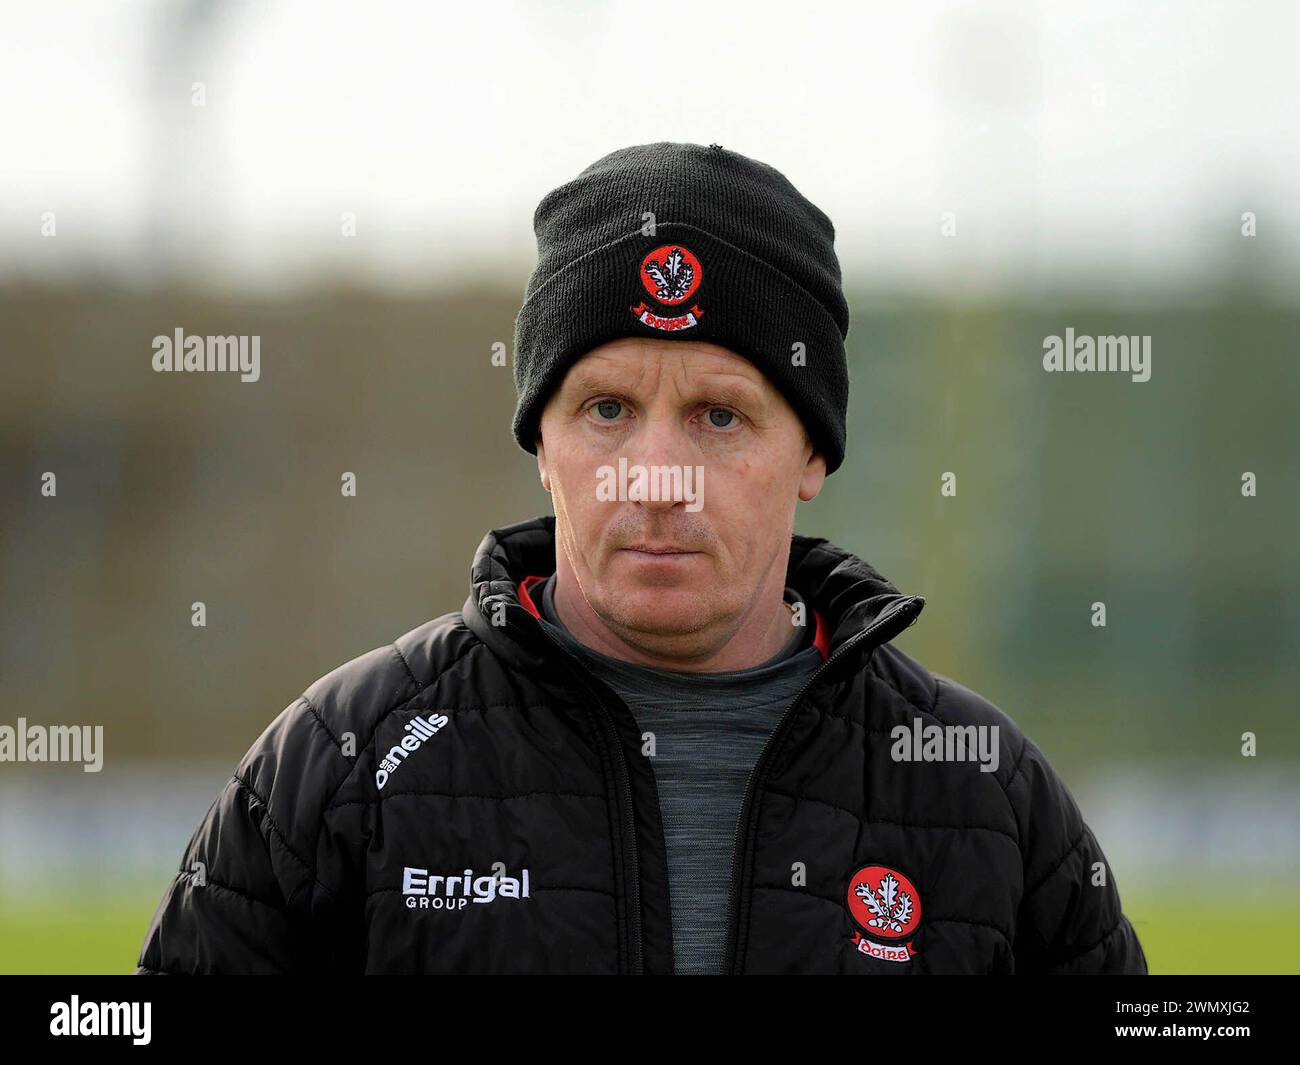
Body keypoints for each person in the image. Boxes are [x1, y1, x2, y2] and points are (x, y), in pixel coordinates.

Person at [137, 142, 1146, 974]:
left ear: (812, 455)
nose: (655, 478)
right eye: (607, 409)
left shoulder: (982, 790)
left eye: (719, 415)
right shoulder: (340, 759)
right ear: (542, 444)